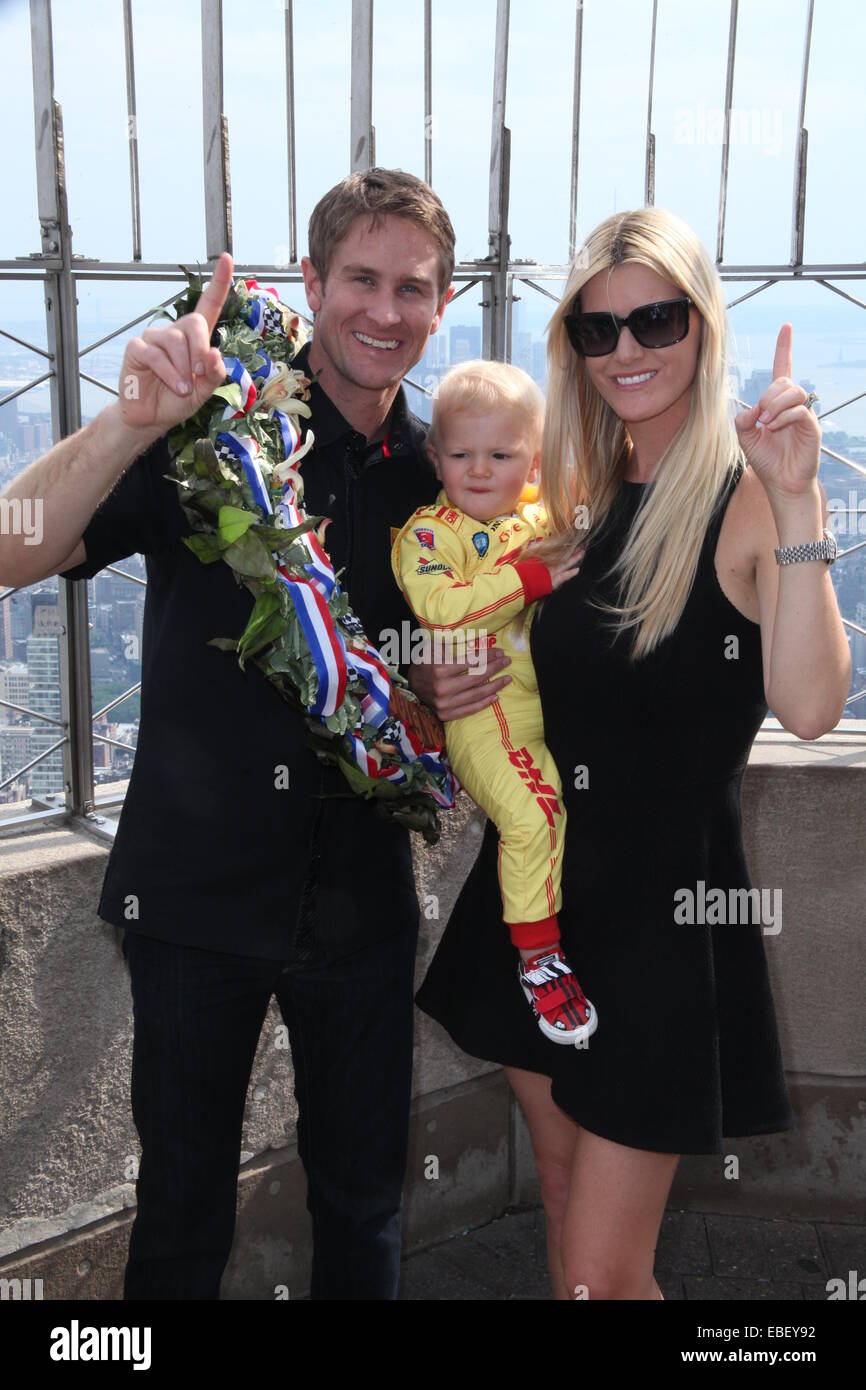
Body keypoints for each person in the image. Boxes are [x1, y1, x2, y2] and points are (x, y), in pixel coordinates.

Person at [0, 168, 510, 1300]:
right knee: (180, 1207)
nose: (385, 312)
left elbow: (505, 651)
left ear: (443, 301)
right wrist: (128, 419)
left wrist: (451, 680)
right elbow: (12, 544)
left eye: (413, 288)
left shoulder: (444, 478)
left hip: (362, 902)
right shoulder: (213, 433)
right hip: (193, 894)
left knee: (365, 1198)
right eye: (362, 280)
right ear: (314, 282)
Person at [414, 206, 851, 1301]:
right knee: (562, 1209)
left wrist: (798, 494)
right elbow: (504, 661)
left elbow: (806, 705)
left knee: (606, 1275)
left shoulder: (745, 500)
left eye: (653, 319)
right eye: (594, 331)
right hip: (546, 908)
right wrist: (439, 677)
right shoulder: (573, 498)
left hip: (665, 930)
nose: (626, 351)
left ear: (699, 326)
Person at [391, 360, 596, 1046]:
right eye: (461, 454)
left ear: (531, 460)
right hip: (481, 713)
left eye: (501, 455)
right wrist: (529, 577)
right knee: (534, 813)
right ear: (435, 456)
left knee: (560, 811)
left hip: (540, 708)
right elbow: (445, 614)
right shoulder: (425, 536)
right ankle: (539, 960)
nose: (479, 471)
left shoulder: (538, 514)